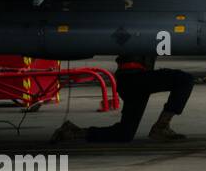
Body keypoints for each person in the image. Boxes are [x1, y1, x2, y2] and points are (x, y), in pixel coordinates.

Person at [49, 53, 192, 143]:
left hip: (129, 80)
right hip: (136, 78)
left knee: (124, 135)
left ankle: (73, 133)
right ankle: (161, 127)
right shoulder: (141, 24)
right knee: (184, 80)